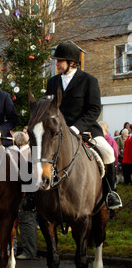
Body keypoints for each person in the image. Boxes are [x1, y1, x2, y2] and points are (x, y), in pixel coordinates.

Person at [46, 41, 122, 210]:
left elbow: (94, 109)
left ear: (72, 62)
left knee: (108, 152)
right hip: (57, 131)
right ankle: (32, 196)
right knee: (35, 152)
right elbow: (48, 107)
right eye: (56, 60)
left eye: (60, 60)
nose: (56, 63)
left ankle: (111, 193)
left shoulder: (89, 81)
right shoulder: (52, 82)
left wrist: (76, 127)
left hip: (85, 129)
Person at [13, 131, 37, 260]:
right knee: (28, 220)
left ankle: (29, 251)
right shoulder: (28, 151)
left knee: (26, 220)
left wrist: (26, 195)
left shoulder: (23, 154)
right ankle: (29, 249)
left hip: (27, 192)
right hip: (29, 192)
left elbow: (25, 176)